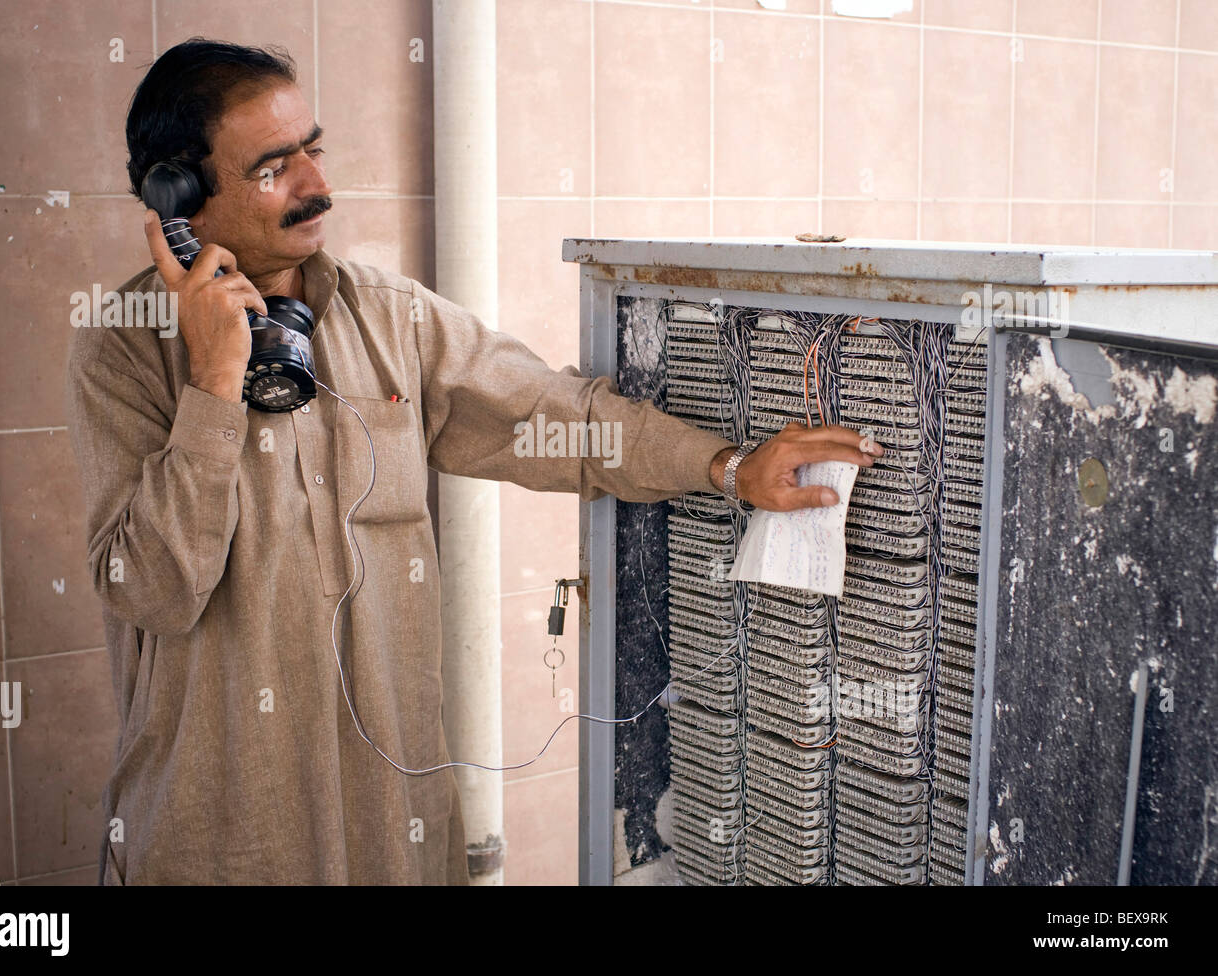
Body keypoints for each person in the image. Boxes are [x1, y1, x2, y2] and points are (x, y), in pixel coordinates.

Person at [66, 38, 880, 885]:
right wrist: (212, 380)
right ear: (180, 196)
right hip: (228, 841)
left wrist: (728, 468)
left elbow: (556, 416)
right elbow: (152, 587)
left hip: (395, 830)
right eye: (276, 166)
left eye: (314, 148)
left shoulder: (392, 319)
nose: (316, 185)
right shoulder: (120, 349)